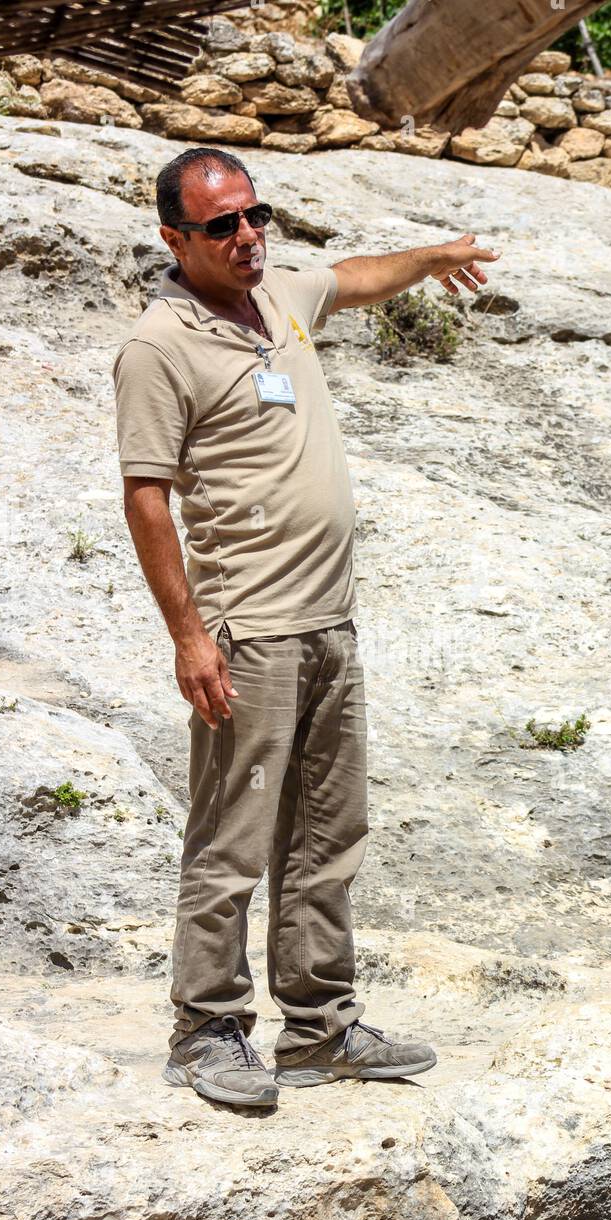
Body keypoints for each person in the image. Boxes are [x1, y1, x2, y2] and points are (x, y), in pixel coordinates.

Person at [113, 145, 500, 1108]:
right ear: (175, 238)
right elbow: (146, 500)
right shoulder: (159, 347)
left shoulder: (278, 294)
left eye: (255, 216)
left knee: (329, 835)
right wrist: (188, 635)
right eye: (221, 226)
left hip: (329, 622)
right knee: (234, 838)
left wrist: (432, 254)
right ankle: (205, 1030)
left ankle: (320, 1029)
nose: (247, 237)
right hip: (250, 628)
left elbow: (351, 278)